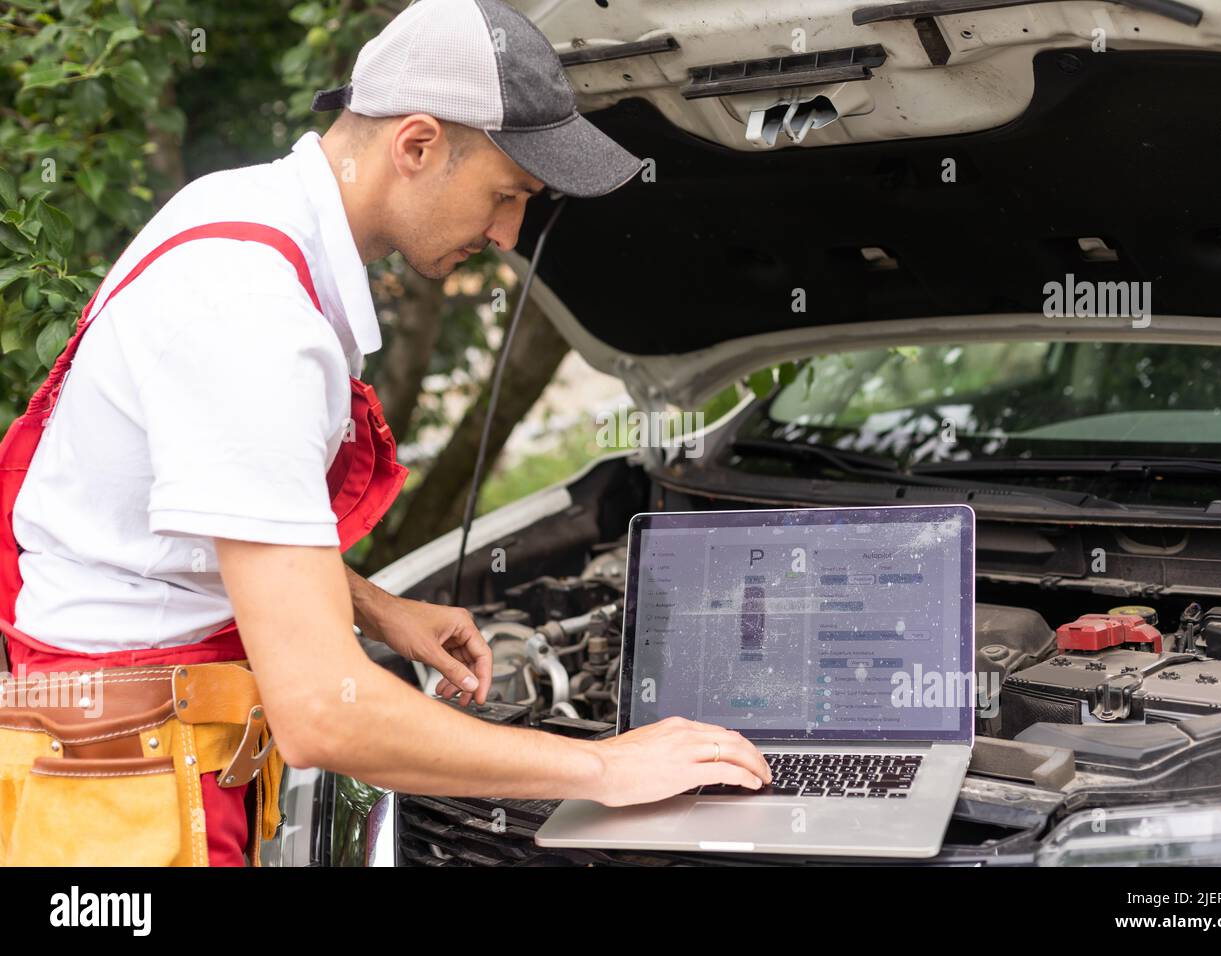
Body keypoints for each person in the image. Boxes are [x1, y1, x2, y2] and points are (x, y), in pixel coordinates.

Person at [0, 0, 769, 867]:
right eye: (507, 194)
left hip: (132, 752)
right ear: (416, 145)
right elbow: (326, 713)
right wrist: (604, 764)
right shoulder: (252, 316)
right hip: (123, 809)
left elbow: (190, 512)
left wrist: (368, 604)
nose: (509, 234)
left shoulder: (241, 213)